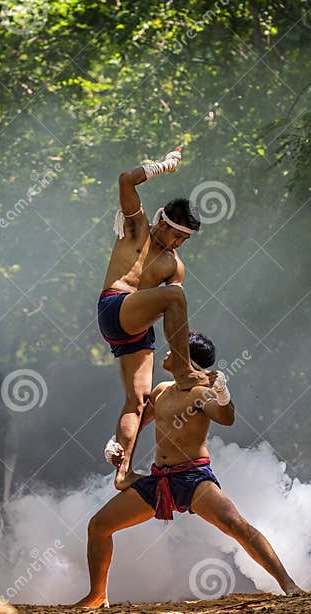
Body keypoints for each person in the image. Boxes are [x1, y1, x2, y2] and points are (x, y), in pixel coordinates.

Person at [74, 333, 305, 608]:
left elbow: (226, 417)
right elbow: (136, 424)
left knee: (235, 525)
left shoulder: (200, 393)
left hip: (193, 478)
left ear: (185, 357)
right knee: (99, 526)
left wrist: (222, 392)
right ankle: (97, 595)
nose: (167, 352)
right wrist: (119, 453)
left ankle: (289, 584)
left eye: (174, 348)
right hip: (159, 479)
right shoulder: (161, 390)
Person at [98, 145, 213, 490]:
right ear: (162, 221)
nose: (179, 242)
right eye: (176, 233)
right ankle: (183, 369)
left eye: (185, 238)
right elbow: (126, 181)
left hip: (138, 330)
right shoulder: (137, 229)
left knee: (140, 400)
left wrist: (183, 348)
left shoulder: (175, 265)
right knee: (174, 296)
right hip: (116, 307)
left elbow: (172, 319)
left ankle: (122, 470)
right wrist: (165, 166)